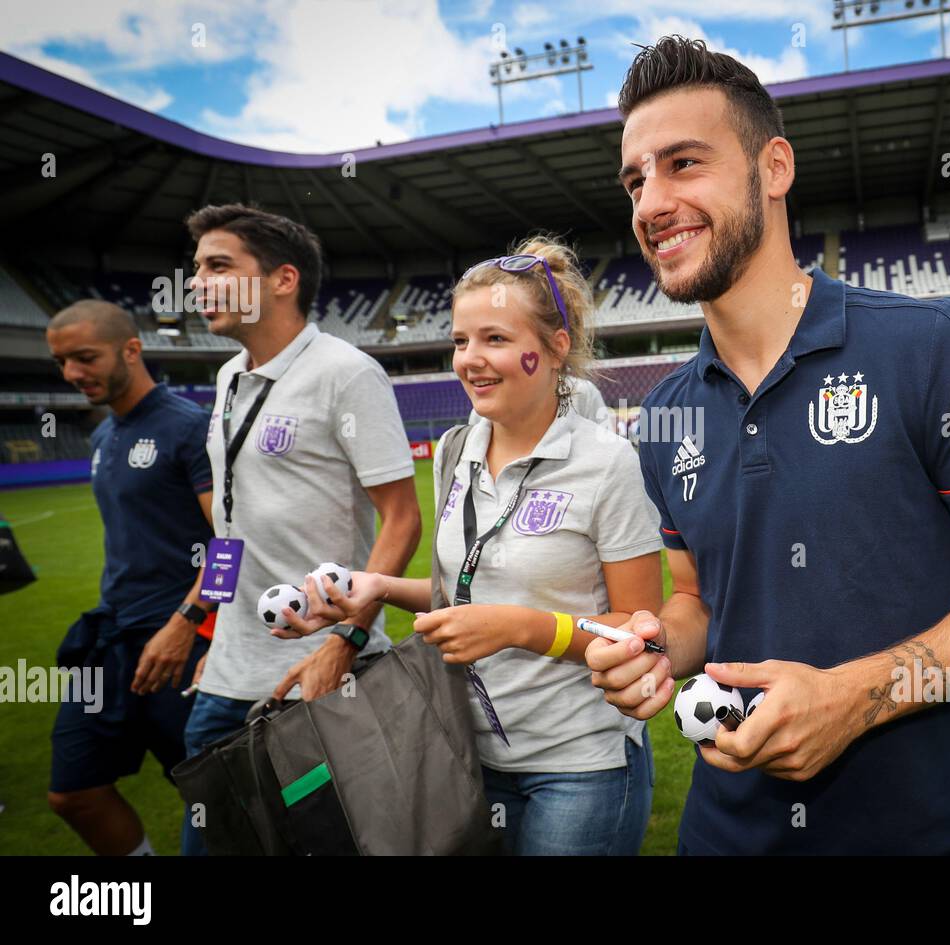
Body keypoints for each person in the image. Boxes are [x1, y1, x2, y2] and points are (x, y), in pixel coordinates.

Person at [588, 36, 950, 855]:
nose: (649, 203)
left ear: (773, 167)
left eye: (682, 163)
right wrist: (653, 648)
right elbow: (698, 605)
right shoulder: (666, 411)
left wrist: (859, 696)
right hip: (718, 832)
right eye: (635, 180)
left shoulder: (927, 344)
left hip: (909, 835)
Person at [281, 235, 664, 855]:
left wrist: (519, 627)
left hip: (581, 764)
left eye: (495, 339)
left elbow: (639, 633)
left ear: (555, 348)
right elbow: (462, 595)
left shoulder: (608, 463)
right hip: (467, 753)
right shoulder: (455, 449)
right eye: (461, 341)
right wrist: (376, 587)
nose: (470, 359)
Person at [181, 204, 423, 854]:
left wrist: (347, 635)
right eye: (196, 267)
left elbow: (404, 519)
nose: (197, 281)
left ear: (283, 279)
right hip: (226, 675)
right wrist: (214, 624)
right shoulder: (230, 378)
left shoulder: (346, 373)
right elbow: (229, 522)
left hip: (317, 678)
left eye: (218, 265)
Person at [45, 301, 214, 855]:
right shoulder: (101, 438)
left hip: (179, 643)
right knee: (73, 793)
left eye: (85, 357)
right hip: (112, 639)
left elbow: (233, 542)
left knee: (214, 794)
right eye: (62, 361)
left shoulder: (189, 427)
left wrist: (187, 621)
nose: (72, 374)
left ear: (131, 350)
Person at [470, 375, 613, 430]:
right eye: (460, 341)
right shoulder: (482, 413)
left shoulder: (581, 393)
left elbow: (606, 450)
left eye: (497, 339)